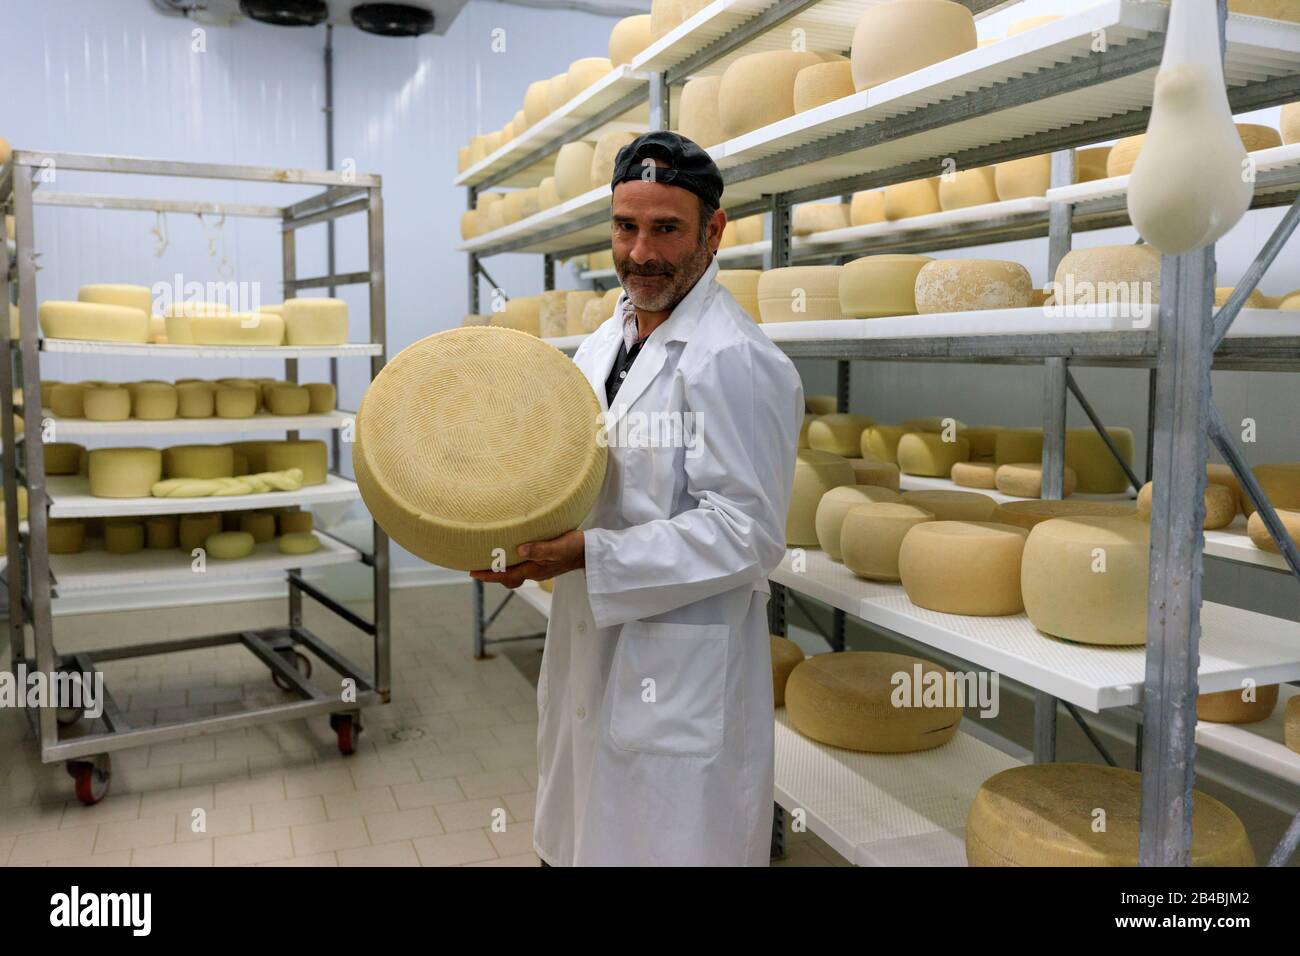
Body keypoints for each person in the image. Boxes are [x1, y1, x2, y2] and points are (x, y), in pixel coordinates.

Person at [470, 131, 803, 866]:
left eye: (666, 229)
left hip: (681, 668)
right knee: (585, 831)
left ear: (713, 230)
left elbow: (747, 532)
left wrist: (588, 554)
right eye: (626, 226)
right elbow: (581, 476)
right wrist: (512, 531)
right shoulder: (602, 344)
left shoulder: (736, 360)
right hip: (596, 644)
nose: (641, 253)